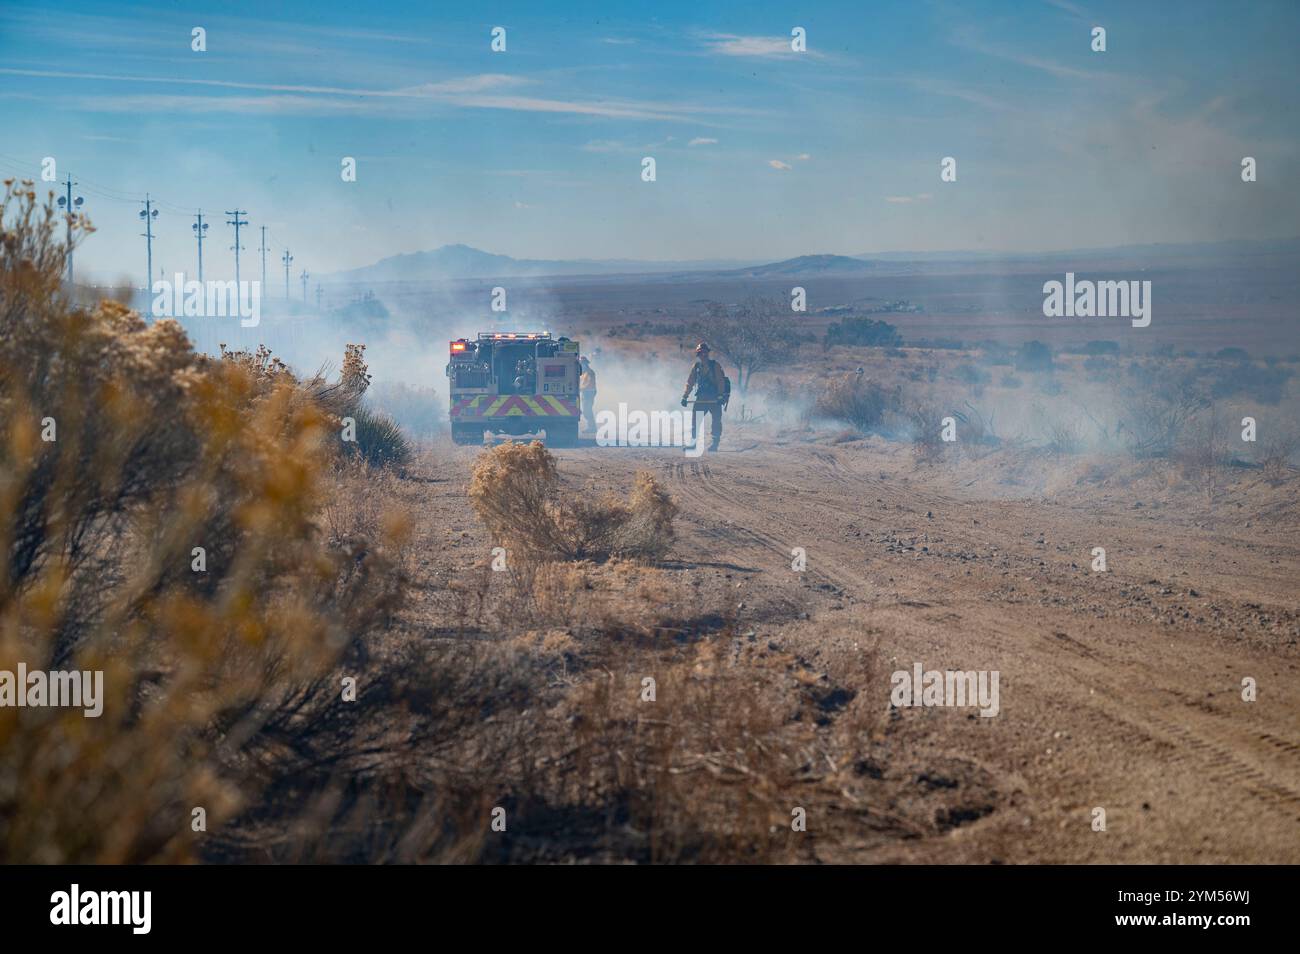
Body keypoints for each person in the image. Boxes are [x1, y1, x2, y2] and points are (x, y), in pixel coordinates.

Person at [680, 342, 730, 452]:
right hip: (701, 399)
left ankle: (715, 444)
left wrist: (721, 396)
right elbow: (690, 382)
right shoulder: (696, 367)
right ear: (698, 354)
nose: (703, 355)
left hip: (715, 399)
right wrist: (685, 396)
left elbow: (721, 381)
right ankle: (693, 444)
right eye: (701, 353)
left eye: (705, 352)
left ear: (708, 353)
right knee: (695, 421)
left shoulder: (715, 366)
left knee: (716, 421)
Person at [578, 355, 597, 433]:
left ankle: (592, 427)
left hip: (589, 393)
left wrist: (581, 389)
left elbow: (588, 383)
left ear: (586, 363)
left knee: (587, 410)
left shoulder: (589, 372)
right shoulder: (584, 373)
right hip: (586, 392)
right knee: (586, 410)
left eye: (583, 363)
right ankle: (591, 427)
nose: (582, 364)